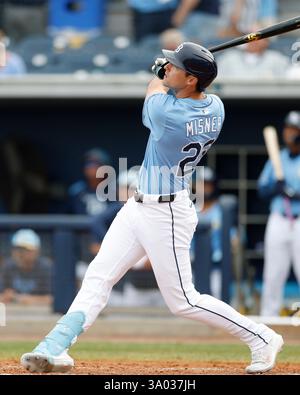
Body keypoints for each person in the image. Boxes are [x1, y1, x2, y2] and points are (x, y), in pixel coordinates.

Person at [21, 41, 283, 374]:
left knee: (183, 301)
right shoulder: (214, 106)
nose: (168, 68)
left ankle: (261, 337)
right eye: (169, 64)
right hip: (138, 206)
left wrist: (160, 72)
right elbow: (179, 85)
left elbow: (154, 86)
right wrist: (176, 69)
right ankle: (55, 347)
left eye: (176, 66)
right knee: (98, 276)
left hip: (167, 213)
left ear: (191, 80)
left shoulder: (168, 114)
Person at [258, 111, 300, 317]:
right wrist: (278, 187)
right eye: (288, 128)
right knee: (273, 273)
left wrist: (293, 193)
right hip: (279, 219)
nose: (289, 133)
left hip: (299, 220)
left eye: (294, 130)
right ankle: (269, 319)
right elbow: (262, 190)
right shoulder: (278, 158)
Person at [0, 229, 52, 305]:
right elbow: (3, 296)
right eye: (17, 249)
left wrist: (27, 299)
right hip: (12, 312)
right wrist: (7, 296)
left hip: (41, 313)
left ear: (36, 251)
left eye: (26, 250)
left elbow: (52, 299)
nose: (20, 254)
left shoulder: (46, 267)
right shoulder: (8, 266)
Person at [217, 38, 289, 81]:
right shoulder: (228, 58)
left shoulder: (277, 59)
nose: (253, 40)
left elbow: (286, 84)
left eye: (258, 38)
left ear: (266, 42)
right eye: (249, 37)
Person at [67, 148, 113, 216]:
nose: (90, 167)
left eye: (95, 164)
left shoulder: (114, 192)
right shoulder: (76, 191)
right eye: (88, 163)